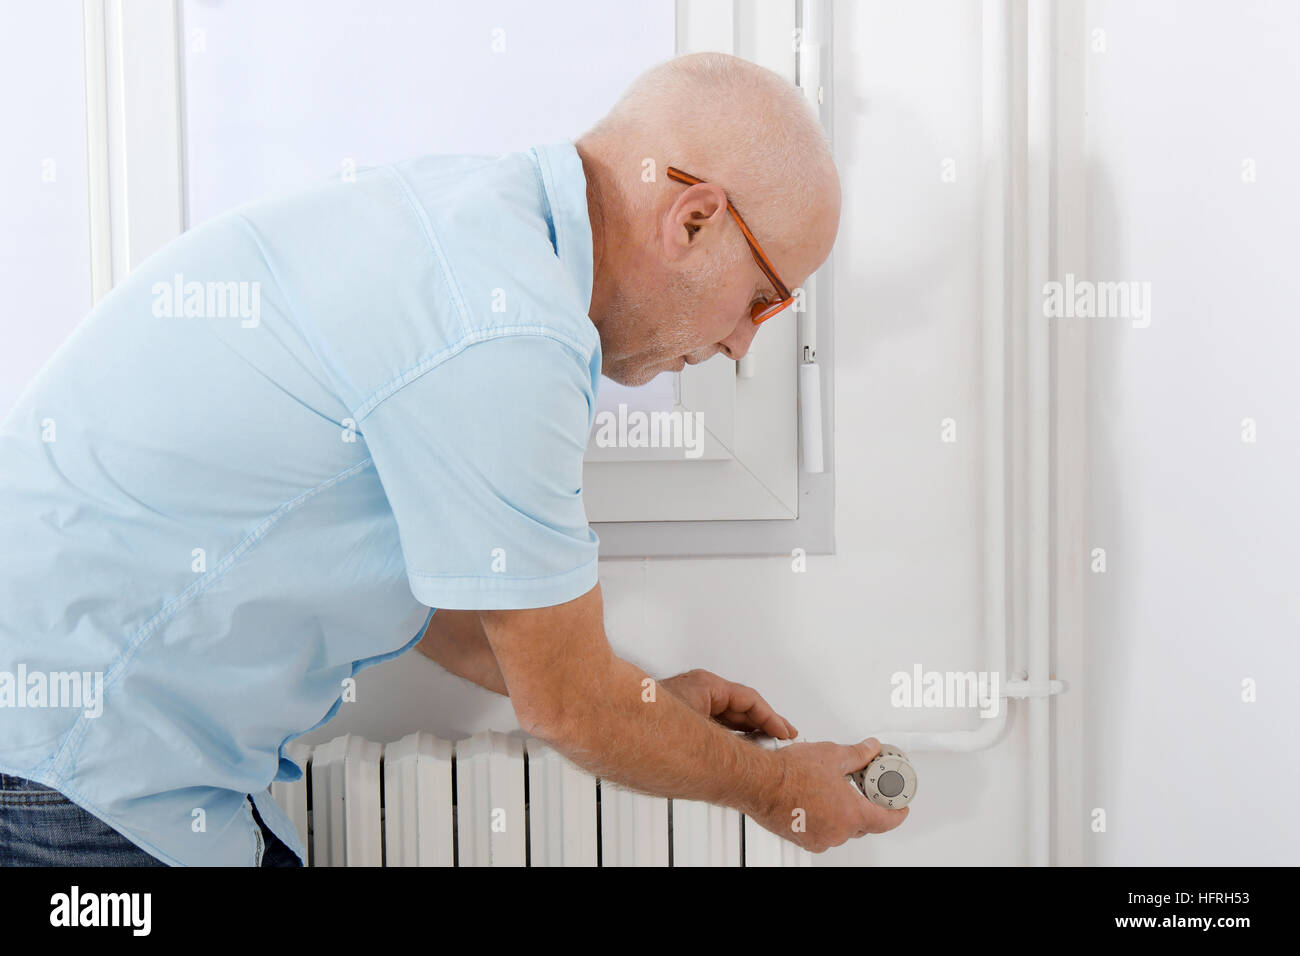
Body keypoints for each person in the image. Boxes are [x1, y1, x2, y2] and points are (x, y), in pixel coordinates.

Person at [0, 51, 906, 866]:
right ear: (696, 220)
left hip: (96, 734)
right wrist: (782, 795)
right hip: (71, 754)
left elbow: (462, 596)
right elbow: (571, 706)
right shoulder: (508, 328)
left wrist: (643, 702)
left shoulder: (476, 230)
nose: (745, 344)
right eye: (765, 299)